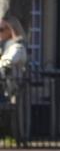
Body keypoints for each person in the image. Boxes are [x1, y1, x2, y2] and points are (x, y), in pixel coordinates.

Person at [0, 14, 28, 142]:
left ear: (10, 30)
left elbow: (5, 66)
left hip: (11, 91)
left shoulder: (17, 48)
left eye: (0, 30)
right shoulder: (5, 48)